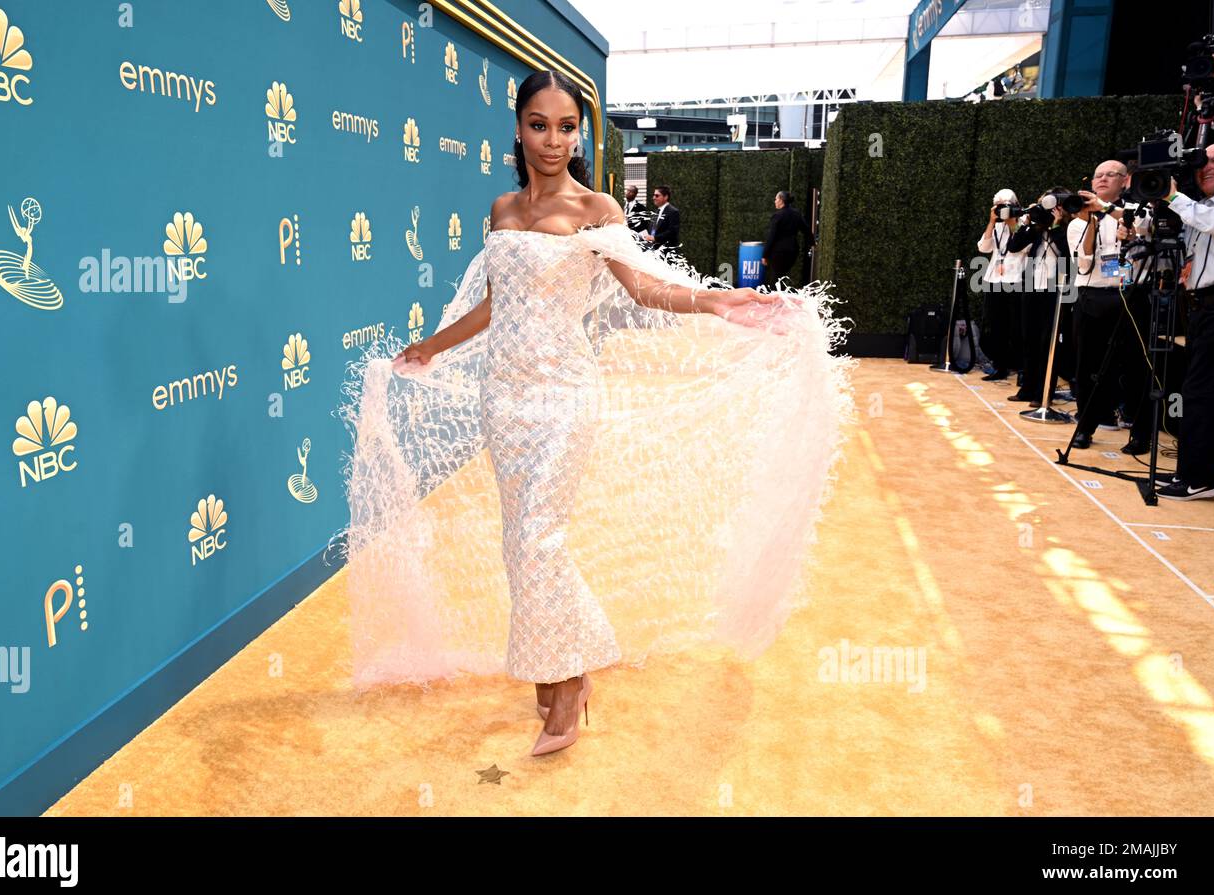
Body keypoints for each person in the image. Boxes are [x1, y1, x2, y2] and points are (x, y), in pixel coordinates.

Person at [337, 70, 854, 758]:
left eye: (567, 126)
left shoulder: (597, 209)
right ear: (518, 129)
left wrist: (717, 302)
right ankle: (553, 670)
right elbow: (496, 304)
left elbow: (643, 289)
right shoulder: (502, 210)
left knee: (539, 541)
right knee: (517, 544)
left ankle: (572, 676)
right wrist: (433, 346)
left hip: (565, 396)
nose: (553, 140)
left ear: (580, 133)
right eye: (539, 125)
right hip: (505, 399)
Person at [1153, 145, 1214, 500]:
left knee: (1202, 395)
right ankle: (1192, 472)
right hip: (1200, 308)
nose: (1206, 167)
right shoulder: (1201, 208)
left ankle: (1200, 479)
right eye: (1203, 162)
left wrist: (1173, 195)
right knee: (1196, 392)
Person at [1067, 160, 1152, 452]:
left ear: (1125, 180)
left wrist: (1106, 210)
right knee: (1087, 367)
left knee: (1135, 367)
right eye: (1097, 176)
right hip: (1091, 296)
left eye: (1110, 175)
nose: (1102, 179)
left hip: (1130, 296)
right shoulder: (1078, 220)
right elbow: (1084, 262)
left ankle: (1141, 433)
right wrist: (1092, 220)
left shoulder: (1137, 209)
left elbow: (1145, 228)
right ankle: (1085, 426)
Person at [1006, 189, 1070, 406]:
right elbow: (1013, 246)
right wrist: (1027, 223)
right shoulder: (1036, 227)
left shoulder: (1069, 228)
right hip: (1033, 285)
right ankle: (1027, 388)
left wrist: (1056, 226)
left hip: (1056, 290)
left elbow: (1068, 253)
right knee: (1029, 339)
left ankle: (1044, 393)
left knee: (1047, 343)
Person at [976, 189, 1027, 381]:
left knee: (1017, 328)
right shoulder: (996, 227)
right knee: (997, 326)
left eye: (1006, 205)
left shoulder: (1024, 224)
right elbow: (983, 247)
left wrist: (1012, 222)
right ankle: (1000, 367)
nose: (1003, 210)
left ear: (1015, 205)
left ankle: (1022, 369)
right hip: (994, 280)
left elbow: (1026, 246)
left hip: (1016, 280)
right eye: (999, 206)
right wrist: (992, 221)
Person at [761, 190, 813, 290]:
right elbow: (806, 230)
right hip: (792, 251)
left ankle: (774, 301)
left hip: (778, 252)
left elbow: (772, 237)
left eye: (776, 199)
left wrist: (765, 255)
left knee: (776, 279)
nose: (774, 201)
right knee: (781, 277)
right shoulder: (796, 214)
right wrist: (812, 243)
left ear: (781, 200)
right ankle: (781, 300)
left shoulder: (777, 216)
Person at [644, 185, 680, 253]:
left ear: (665, 197)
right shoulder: (656, 212)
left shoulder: (673, 212)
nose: (653, 198)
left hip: (666, 252)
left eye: (657, 195)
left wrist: (655, 238)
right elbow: (653, 230)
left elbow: (672, 232)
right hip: (653, 251)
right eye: (654, 195)